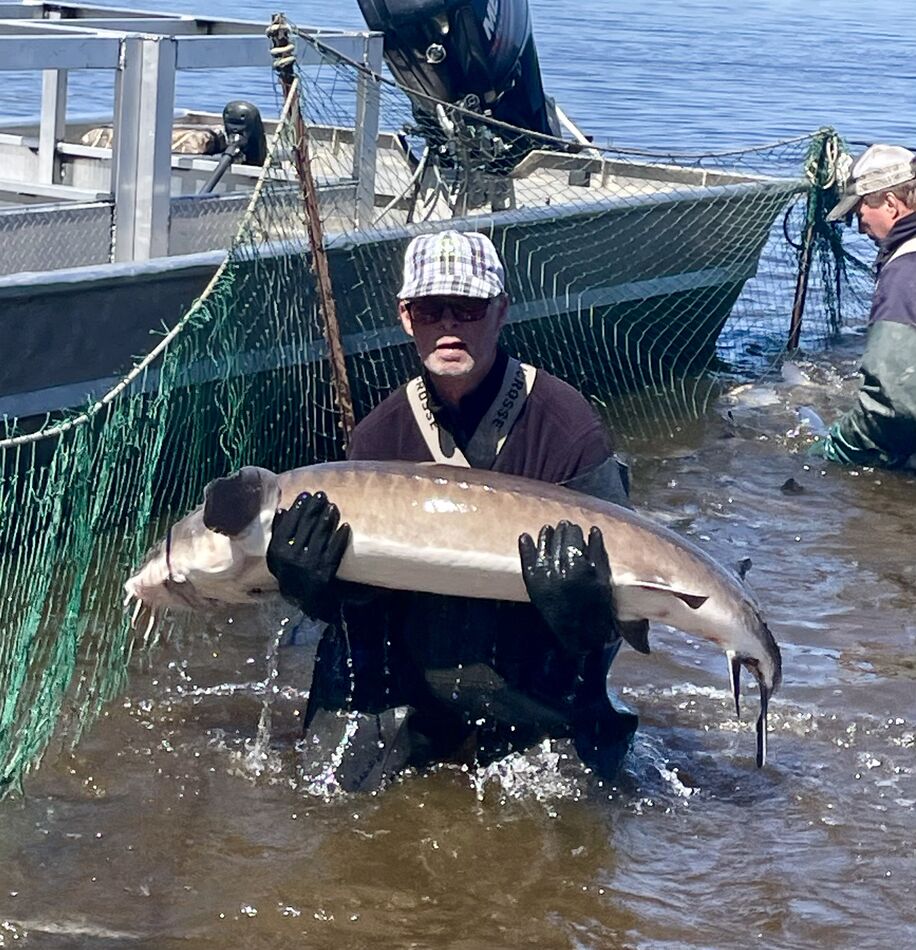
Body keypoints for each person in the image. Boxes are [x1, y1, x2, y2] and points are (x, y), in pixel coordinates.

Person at [268, 230, 639, 792]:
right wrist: (316, 587)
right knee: (328, 795)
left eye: (466, 307)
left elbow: (620, 609)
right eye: (428, 308)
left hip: (528, 671)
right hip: (415, 675)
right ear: (404, 316)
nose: (448, 325)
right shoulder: (377, 438)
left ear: (500, 311)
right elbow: (366, 613)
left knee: (573, 808)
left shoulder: (566, 425)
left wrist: (584, 607)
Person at [810, 144, 916, 469]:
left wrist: (833, 448)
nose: (859, 226)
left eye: (860, 212)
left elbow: (894, 403)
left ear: (889, 202)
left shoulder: (904, 274)